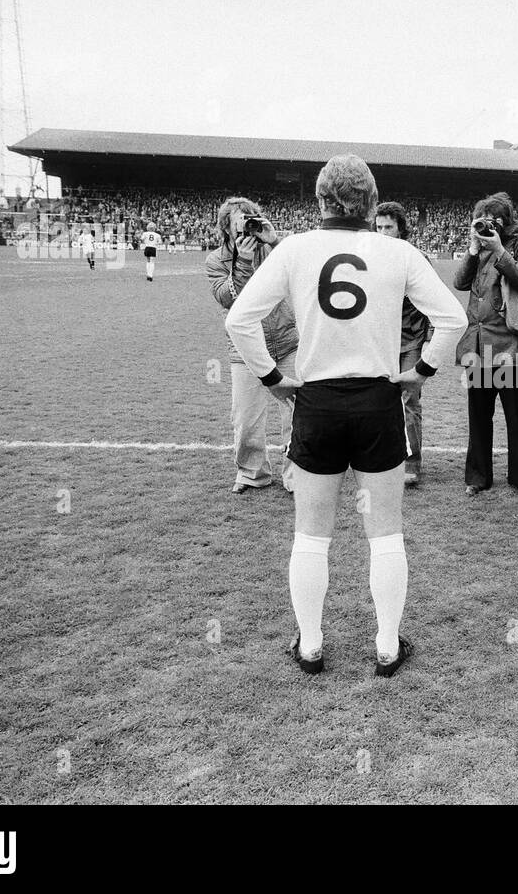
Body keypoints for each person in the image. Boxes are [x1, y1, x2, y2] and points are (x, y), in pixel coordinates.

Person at [225, 155, 466, 679]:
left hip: (317, 403)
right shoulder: (398, 251)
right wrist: (420, 369)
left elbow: (239, 318)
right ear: (373, 203)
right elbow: (453, 317)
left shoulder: (294, 248)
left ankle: (310, 645)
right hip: (378, 402)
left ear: (319, 201)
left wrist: (271, 379)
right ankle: (385, 646)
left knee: (311, 535)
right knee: (386, 534)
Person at [454, 191, 518, 497]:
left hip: (510, 345)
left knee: (517, 416)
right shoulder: (478, 247)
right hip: (479, 343)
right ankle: (478, 476)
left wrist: (500, 250)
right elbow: (460, 282)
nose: (486, 227)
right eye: (481, 221)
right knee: (478, 415)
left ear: (504, 222)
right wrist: (472, 248)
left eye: (491, 222)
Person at [207, 197, 298, 495]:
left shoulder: (274, 251)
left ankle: (297, 472)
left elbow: (301, 267)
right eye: (240, 219)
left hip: (285, 340)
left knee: (299, 412)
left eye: (252, 217)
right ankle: (251, 472)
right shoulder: (216, 260)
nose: (248, 224)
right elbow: (228, 299)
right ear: (227, 226)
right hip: (245, 349)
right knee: (246, 418)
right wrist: (243, 264)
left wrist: (274, 241)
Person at [374, 201, 431, 487]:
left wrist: (429, 341)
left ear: (401, 229)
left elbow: (433, 303)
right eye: (379, 226)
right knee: (379, 401)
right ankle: (383, 459)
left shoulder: (416, 257)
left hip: (410, 341)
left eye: (389, 227)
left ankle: (413, 462)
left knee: (409, 401)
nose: (383, 232)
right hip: (378, 343)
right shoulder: (367, 258)